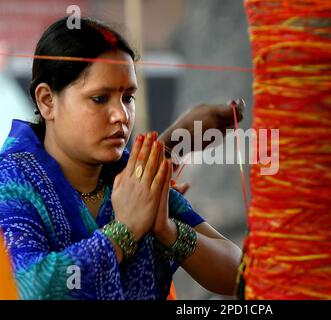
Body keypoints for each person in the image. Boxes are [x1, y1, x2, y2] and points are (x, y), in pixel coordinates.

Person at [0, 17, 243, 300]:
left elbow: (238, 273)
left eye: (128, 97)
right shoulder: (12, 181)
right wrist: (125, 231)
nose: (122, 115)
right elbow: (30, 287)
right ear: (47, 101)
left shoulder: (133, 175)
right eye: (100, 99)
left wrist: (166, 229)